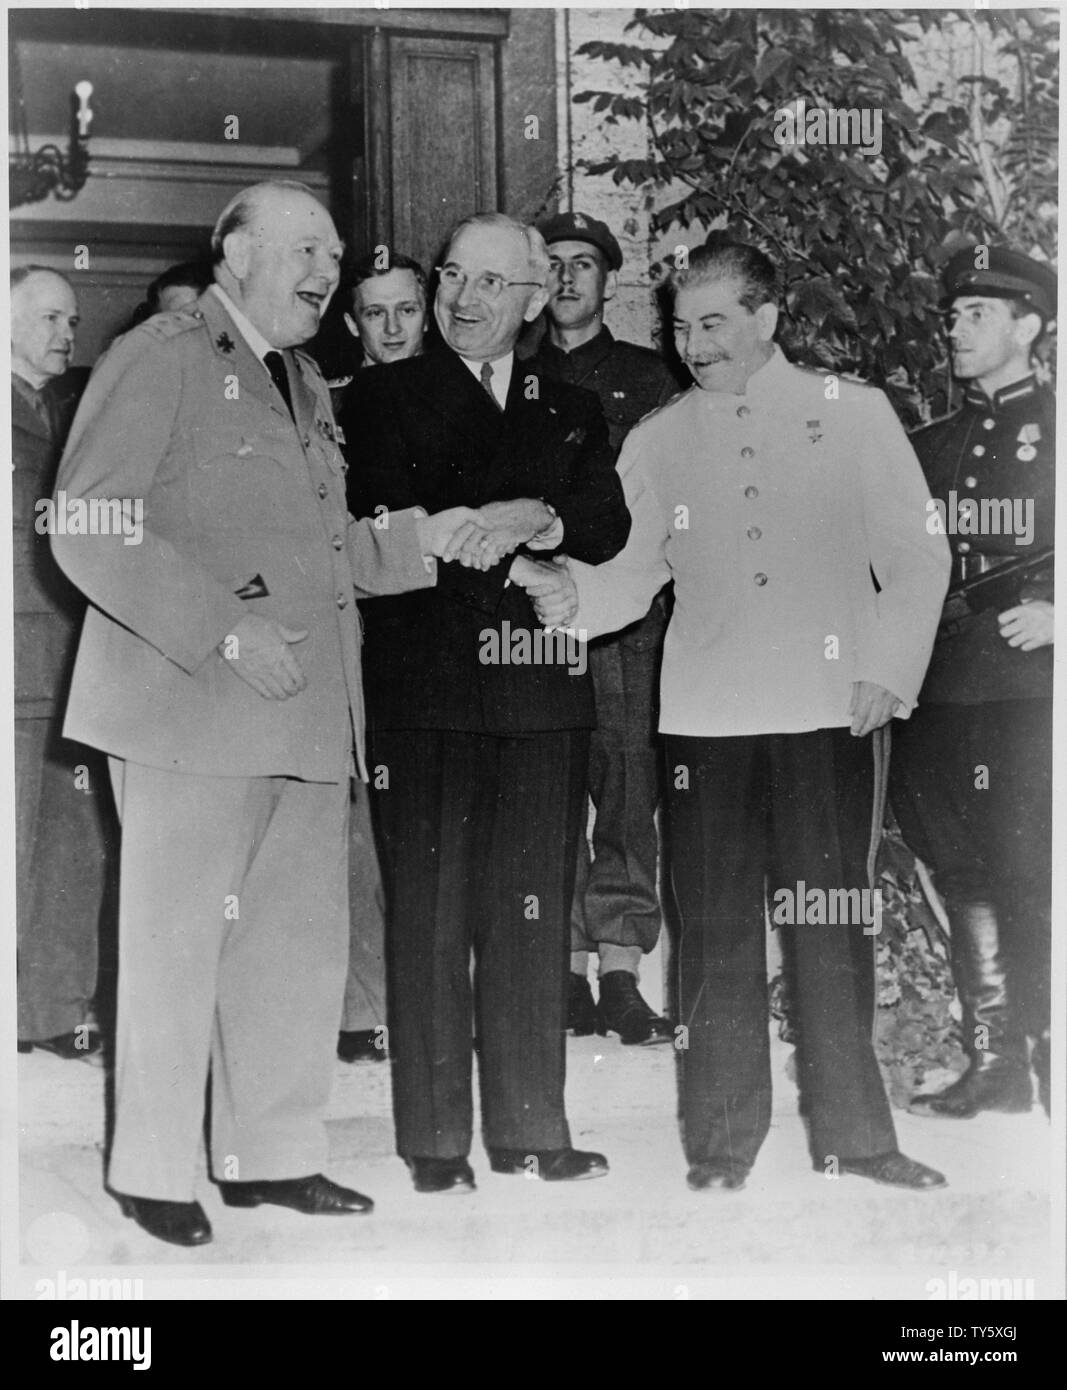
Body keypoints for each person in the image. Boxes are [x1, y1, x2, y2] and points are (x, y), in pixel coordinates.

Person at [51, 180, 477, 1247]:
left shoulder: (306, 383)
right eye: (303, 249)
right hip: (186, 710)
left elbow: (326, 557)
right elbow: (88, 525)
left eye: (331, 254)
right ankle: (150, 1169)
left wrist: (438, 535)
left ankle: (268, 1158)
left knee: (291, 948)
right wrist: (227, 630)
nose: (325, 271)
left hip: (305, 717)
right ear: (233, 254)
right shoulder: (161, 354)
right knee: (174, 945)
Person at [549, 239, 951, 1193]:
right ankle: (722, 1146)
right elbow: (629, 577)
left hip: (828, 713)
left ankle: (856, 1137)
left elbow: (917, 555)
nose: (694, 344)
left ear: (767, 319)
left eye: (713, 323)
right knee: (714, 931)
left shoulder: (853, 415)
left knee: (829, 926)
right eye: (681, 327)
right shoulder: (655, 438)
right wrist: (560, 594)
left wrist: (887, 670)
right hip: (704, 724)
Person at [340, 211, 631, 1195]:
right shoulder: (380, 397)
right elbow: (378, 522)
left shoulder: (572, 403)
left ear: (535, 298)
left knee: (530, 914)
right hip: (425, 696)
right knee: (427, 918)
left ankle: (529, 1128)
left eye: (487, 285)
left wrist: (537, 518)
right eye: (451, 278)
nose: (461, 300)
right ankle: (432, 1144)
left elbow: (606, 514)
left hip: (540, 701)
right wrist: (510, 532)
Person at [892, 245, 1055, 1119]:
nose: (954, 328)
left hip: (1029, 692)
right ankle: (995, 1063)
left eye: (977, 314)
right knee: (960, 872)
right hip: (938, 687)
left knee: (1034, 870)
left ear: (1029, 326)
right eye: (951, 314)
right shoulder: (926, 445)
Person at [530, 210, 681, 1045]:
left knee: (627, 792)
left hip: (629, 622)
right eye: (548, 262)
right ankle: (561, 972)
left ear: (607, 280)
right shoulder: (503, 372)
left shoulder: (650, 378)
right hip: (535, 618)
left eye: (581, 263)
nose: (564, 278)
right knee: (546, 789)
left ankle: (621, 972)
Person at [331, 251, 429, 1065]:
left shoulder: (471, 398)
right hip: (367, 638)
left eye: (405, 310)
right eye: (375, 314)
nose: (392, 328)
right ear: (351, 322)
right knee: (362, 829)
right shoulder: (329, 410)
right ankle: (367, 1007)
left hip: (460, 641)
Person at [12, 266, 110, 1064]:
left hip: (73, 663)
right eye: (46, 317)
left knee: (72, 846)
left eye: (71, 321)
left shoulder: (73, 414)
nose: (65, 334)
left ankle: (54, 1010)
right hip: (15, 658)